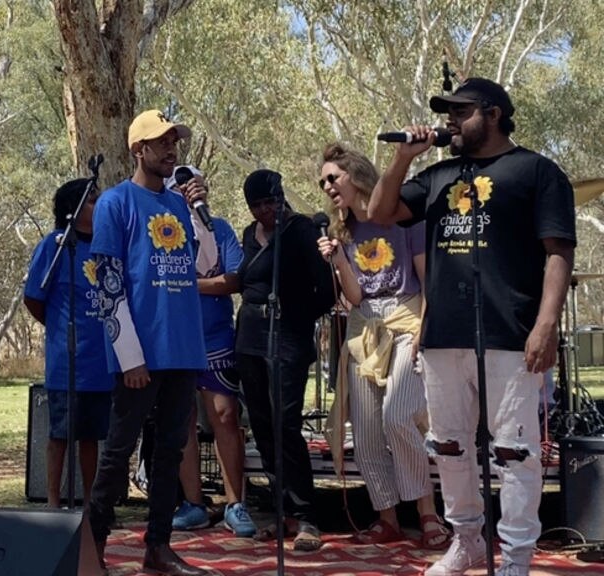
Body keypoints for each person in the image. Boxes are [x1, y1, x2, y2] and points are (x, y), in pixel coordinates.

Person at [368, 77, 576, 576]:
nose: (450, 122)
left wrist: (545, 326)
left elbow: (559, 252)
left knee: (515, 450)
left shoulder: (536, 172)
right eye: (447, 114)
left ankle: (517, 557)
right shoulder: (439, 176)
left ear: (494, 114)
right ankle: (467, 541)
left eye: (461, 113)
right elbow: (378, 211)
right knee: (450, 445)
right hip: (444, 335)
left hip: (511, 333)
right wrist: (404, 157)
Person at [85, 109, 208, 576]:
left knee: (171, 451)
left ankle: (158, 546)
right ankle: (93, 545)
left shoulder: (181, 205)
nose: (172, 149)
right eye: (162, 142)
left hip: (183, 348)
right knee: (117, 452)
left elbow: (207, 263)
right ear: (140, 150)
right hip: (141, 352)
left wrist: (200, 211)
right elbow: (108, 283)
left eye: (175, 141)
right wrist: (130, 355)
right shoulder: (116, 203)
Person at [315, 144, 450, 549]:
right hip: (364, 327)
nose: (327, 186)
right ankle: (386, 516)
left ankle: (427, 514)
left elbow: (428, 283)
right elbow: (355, 297)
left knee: (397, 414)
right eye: (322, 182)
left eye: (332, 177)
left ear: (354, 174)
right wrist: (338, 259)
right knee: (369, 430)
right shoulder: (343, 232)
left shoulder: (404, 219)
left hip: (407, 322)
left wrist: (425, 336)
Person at [234, 169, 334, 551]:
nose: (263, 211)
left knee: (286, 425)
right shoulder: (248, 235)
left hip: (288, 338)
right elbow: (244, 281)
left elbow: (324, 290)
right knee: (261, 425)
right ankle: (281, 513)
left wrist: (295, 315)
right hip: (250, 338)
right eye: (255, 205)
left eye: (268, 202)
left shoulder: (302, 230)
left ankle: (306, 516)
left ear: (281, 198)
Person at [164, 165, 257, 538]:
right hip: (176, 338)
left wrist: (183, 283)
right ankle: (194, 503)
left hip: (216, 336)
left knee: (225, 415)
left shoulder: (220, 228)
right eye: (181, 185)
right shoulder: (164, 232)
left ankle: (236, 503)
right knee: (181, 420)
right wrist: (204, 284)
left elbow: (233, 280)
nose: (189, 190)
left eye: (195, 184)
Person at [23, 178, 112, 509]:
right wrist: (58, 327)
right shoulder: (55, 245)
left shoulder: (107, 246)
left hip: (101, 360)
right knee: (59, 434)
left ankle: (92, 504)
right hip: (68, 357)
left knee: (91, 436)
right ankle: (52, 502)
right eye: (92, 201)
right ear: (72, 210)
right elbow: (33, 298)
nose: (98, 206)